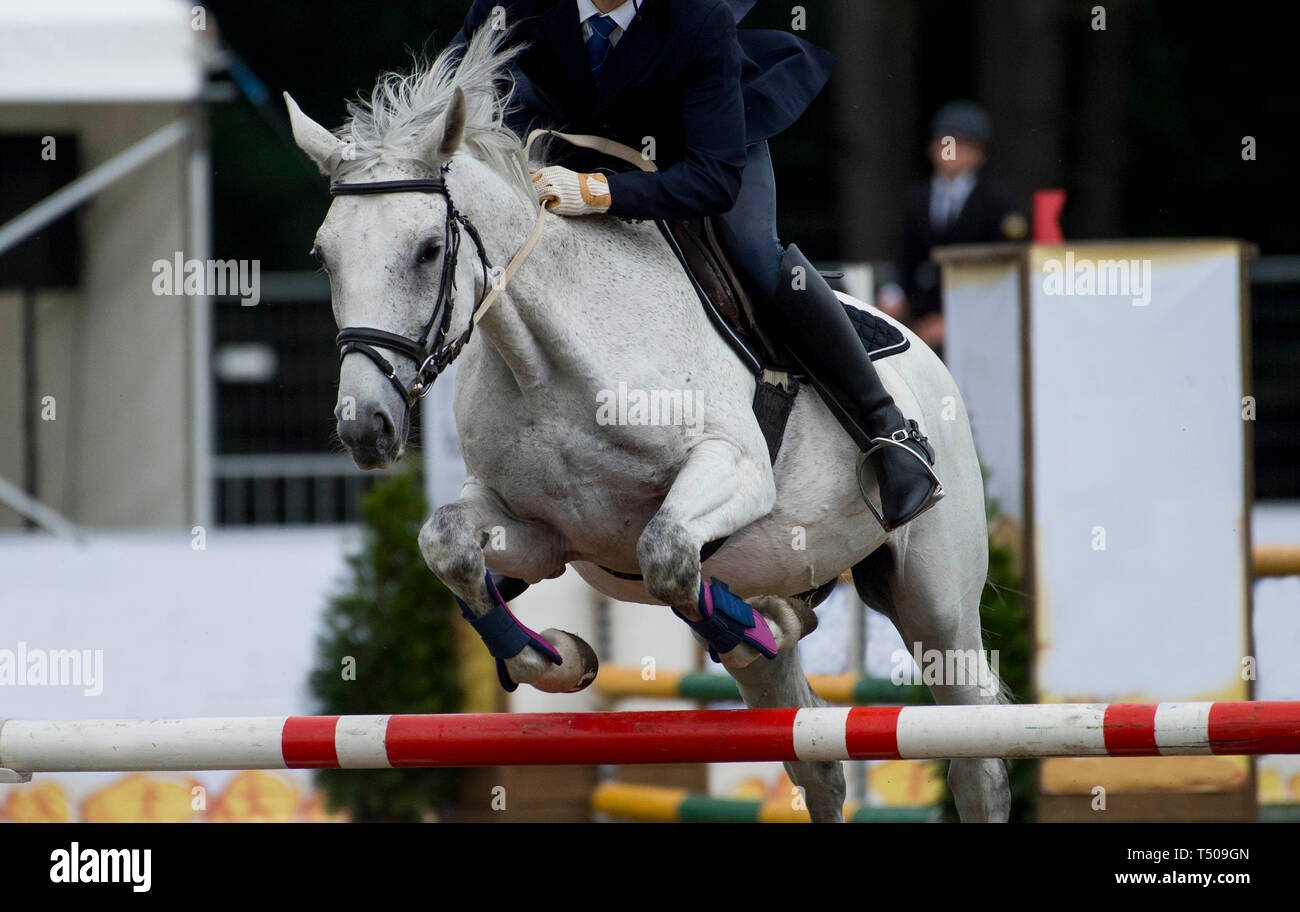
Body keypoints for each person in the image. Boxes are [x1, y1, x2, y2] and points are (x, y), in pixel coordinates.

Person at [454, 0, 941, 530]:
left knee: (755, 254)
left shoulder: (696, 16)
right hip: (576, 132)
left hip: (701, 140)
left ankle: (889, 431)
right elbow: (455, 91)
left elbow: (713, 180)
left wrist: (597, 192)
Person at [897, 100, 1026, 353]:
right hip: (922, 320)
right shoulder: (918, 198)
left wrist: (956, 319)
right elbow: (907, 256)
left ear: (979, 153)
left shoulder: (996, 201)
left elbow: (1000, 268)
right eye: (945, 143)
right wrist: (899, 297)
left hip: (978, 320)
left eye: (962, 144)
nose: (951, 152)